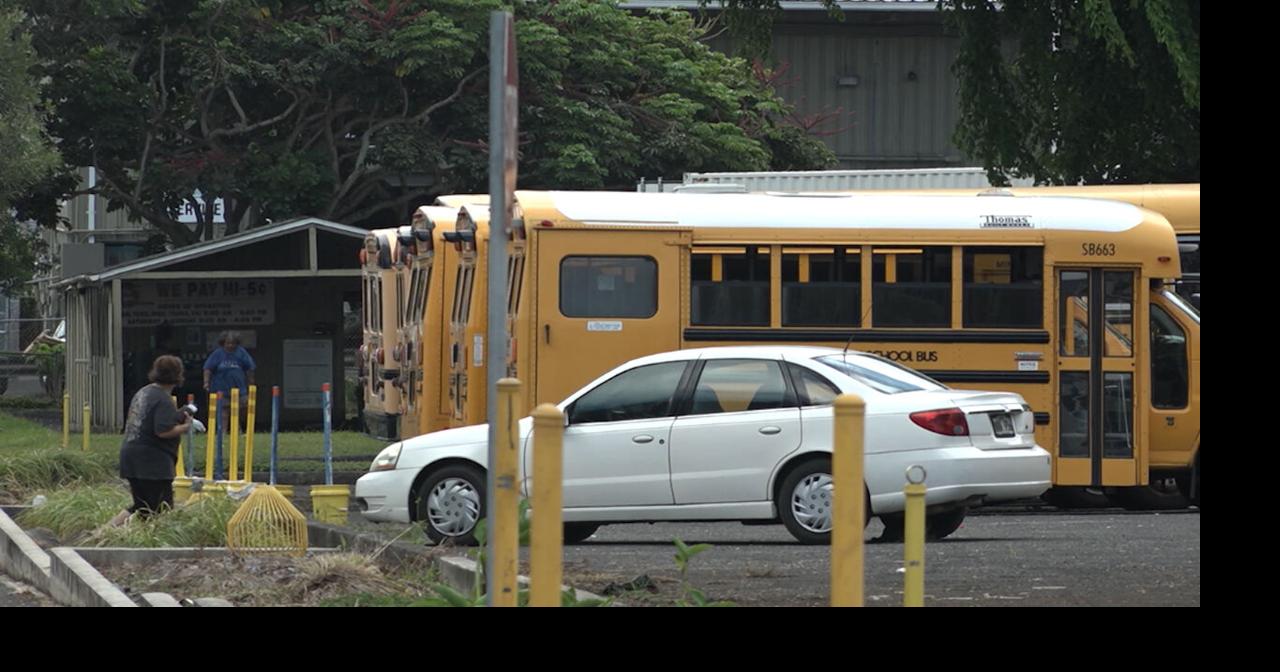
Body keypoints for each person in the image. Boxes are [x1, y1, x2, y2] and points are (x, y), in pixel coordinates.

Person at [109, 355, 192, 526]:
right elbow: (163, 431)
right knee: (162, 506)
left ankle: (105, 531)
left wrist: (176, 416)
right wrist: (185, 427)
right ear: (178, 375)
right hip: (152, 463)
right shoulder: (163, 399)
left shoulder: (144, 392)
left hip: (130, 456)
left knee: (141, 505)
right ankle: (158, 538)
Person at [202, 331, 256, 429]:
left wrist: (251, 382)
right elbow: (207, 368)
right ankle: (222, 433)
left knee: (241, 409)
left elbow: (250, 368)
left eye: (233, 343)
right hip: (221, 389)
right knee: (223, 412)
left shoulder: (241, 352)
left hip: (240, 389)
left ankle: (237, 429)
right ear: (223, 343)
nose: (230, 345)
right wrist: (206, 382)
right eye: (228, 343)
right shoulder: (217, 353)